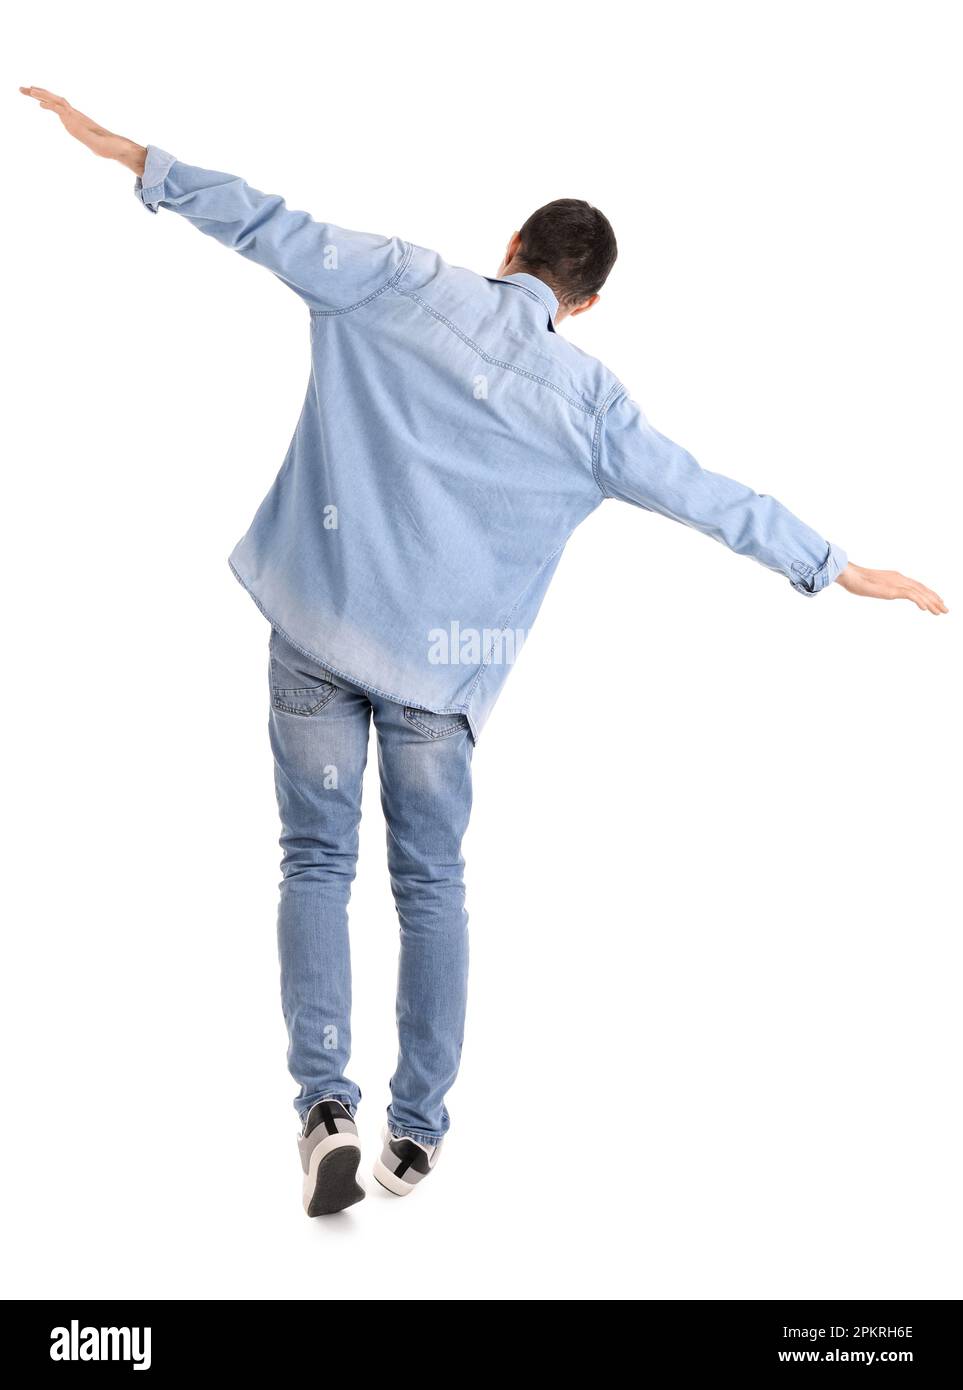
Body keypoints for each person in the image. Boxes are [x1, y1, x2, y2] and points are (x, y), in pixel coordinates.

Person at [20, 86, 948, 1217]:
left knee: (315, 861)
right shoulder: (592, 404)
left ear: (509, 246)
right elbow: (714, 497)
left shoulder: (398, 278)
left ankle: (325, 1108)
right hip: (439, 679)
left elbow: (265, 221)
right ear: (585, 301)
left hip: (315, 622)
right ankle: (414, 1137)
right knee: (431, 884)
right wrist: (838, 564)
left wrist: (132, 154)